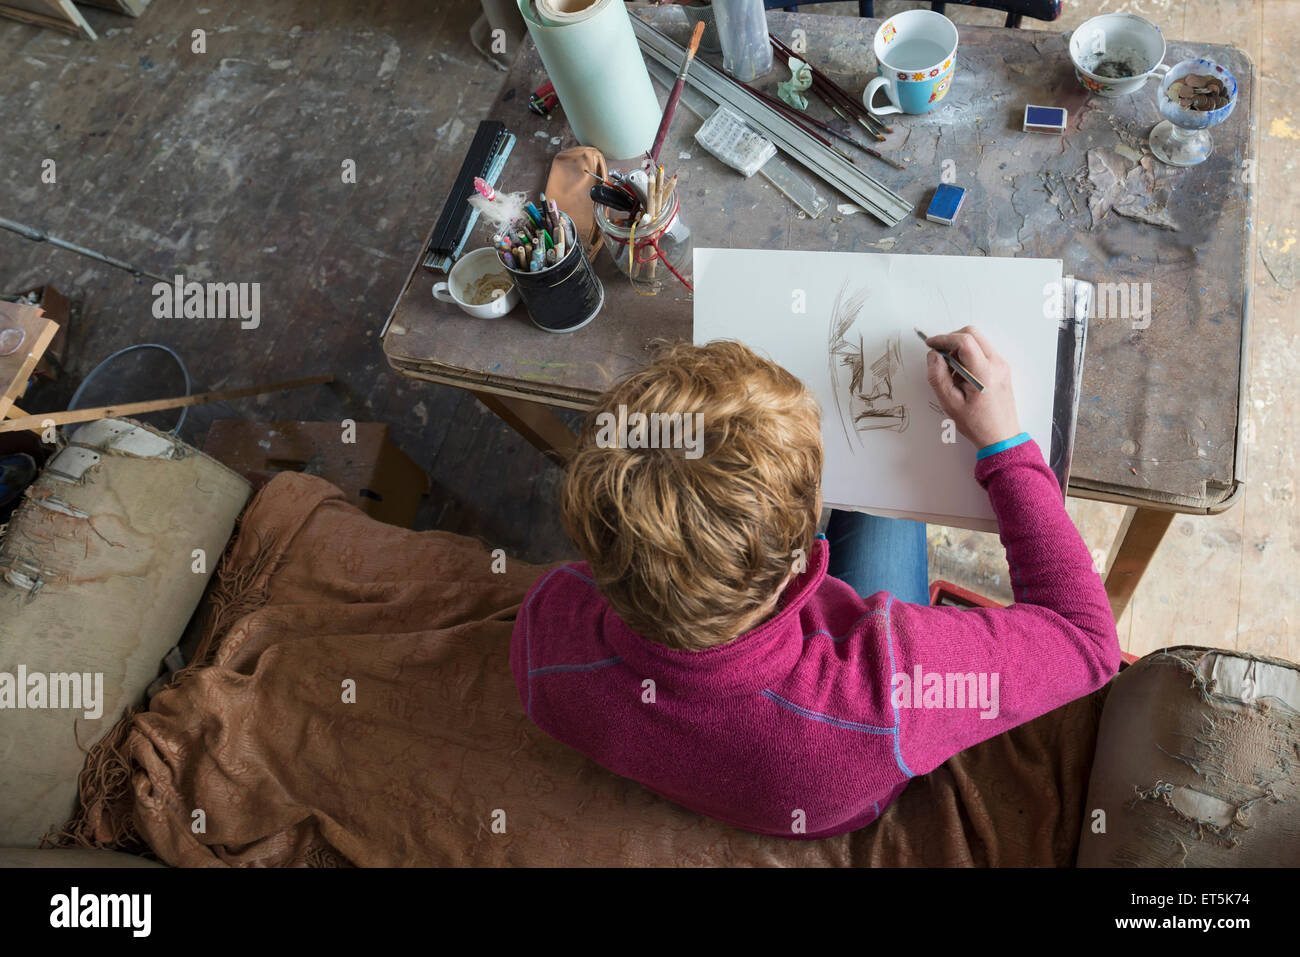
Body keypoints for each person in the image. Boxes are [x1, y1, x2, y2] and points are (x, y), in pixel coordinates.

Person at [510, 329, 1120, 839]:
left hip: (788, 757)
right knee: (887, 488)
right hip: (839, 783)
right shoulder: (888, 693)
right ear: (798, 563)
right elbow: (1086, 639)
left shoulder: (546, 639)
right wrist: (1005, 443)